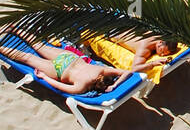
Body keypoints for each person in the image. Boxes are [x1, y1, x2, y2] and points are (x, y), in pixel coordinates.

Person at [1, 39, 129, 95]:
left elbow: (127, 72)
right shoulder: (82, 87)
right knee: (27, 57)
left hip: (70, 58)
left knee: (38, 45)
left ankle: (15, 29)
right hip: (59, 70)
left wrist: (115, 84)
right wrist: (44, 76)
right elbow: (59, 87)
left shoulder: (101, 70)